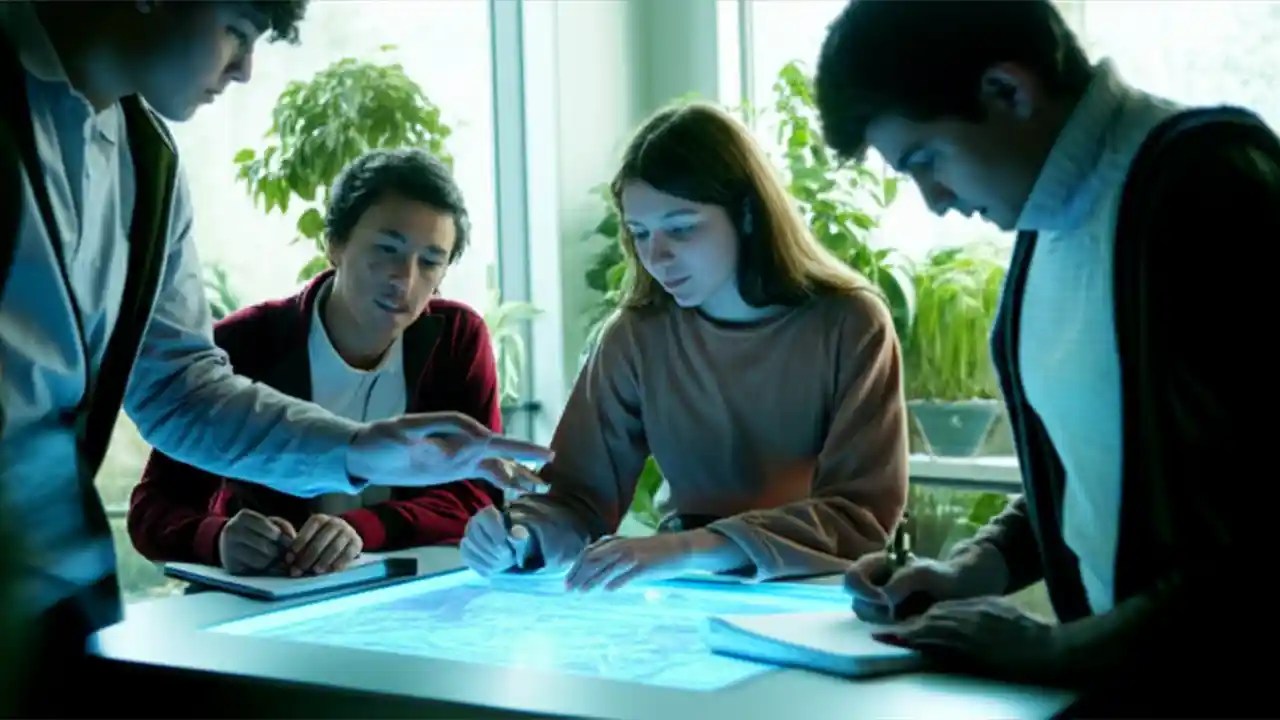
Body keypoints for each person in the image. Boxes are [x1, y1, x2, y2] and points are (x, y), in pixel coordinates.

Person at [0, 1, 549, 712]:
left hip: (60, 590)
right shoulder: (254, 330)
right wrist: (219, 535)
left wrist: (362, 451)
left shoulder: (148, 162)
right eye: (236, 29)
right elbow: (159, 498)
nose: (245, 69)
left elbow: (180, 390)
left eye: (431, 261)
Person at [814, 0, 1279, 711]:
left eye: (926, 160)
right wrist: (975, 566)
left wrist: (1053, 650)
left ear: (1008, 90)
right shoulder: (1049, 218)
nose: (933, 202)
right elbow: (1092, 473)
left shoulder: (1208, 188)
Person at [461, 101, 909, 590]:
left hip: (812, 586)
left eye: (681, 229)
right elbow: (575, 497)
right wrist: (520, 536)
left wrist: (691, 548)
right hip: (684, 585)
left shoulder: (849, 322)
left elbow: (859, 516)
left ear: (748, 214)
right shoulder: (635, 335)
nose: (656, 256)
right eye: (639, 233)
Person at [128, 148, 509, 577]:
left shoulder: (456, 338)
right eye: (387, 249)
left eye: (431, 262)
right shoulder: (244, 342)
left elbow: (476, 494)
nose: (405, 279)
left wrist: (361, 529)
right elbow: (152, 509)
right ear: (335, 243)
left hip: (405, 590)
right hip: (272, 593)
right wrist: (215, 538)